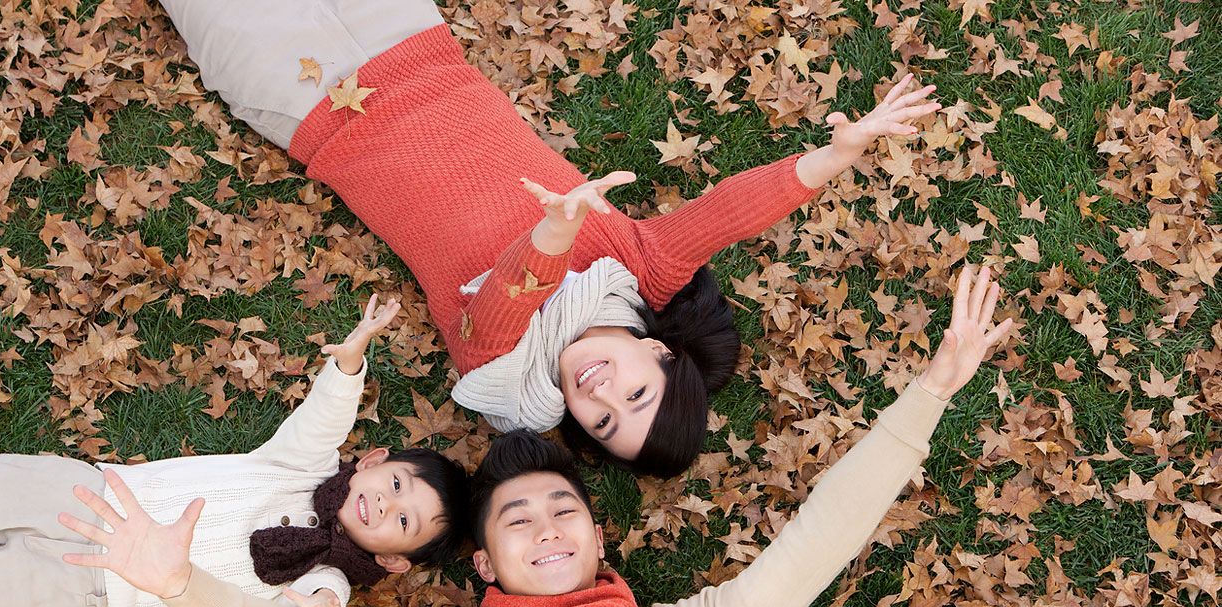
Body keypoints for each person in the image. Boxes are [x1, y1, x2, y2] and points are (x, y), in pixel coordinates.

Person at [58, 267, 1012, 607]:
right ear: (485, 568)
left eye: (561, 509)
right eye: (515, 523)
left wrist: (928, 392)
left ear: (599, 540)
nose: (546, 527)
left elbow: (818, 541)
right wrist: (182, 583)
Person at [156, 0, 942, 476]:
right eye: (634, 394)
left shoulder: (505, 379)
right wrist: (834, 157)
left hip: (311, 103)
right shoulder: (637, 275)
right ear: (660, 353)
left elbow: (500, 304)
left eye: (601, 420)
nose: (600, 393)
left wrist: (554, 235)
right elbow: (723, 216)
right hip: (411, 46)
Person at [0, 295, 469, 607]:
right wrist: (350, 363)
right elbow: (323, 422)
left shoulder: (323, 572)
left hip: (89, 592)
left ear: (391, 560)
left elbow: (319, 598)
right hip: (84, 496)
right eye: (397, 486)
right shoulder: (302, 467)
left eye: (404, 523)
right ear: (373, 462)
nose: (386, 505)